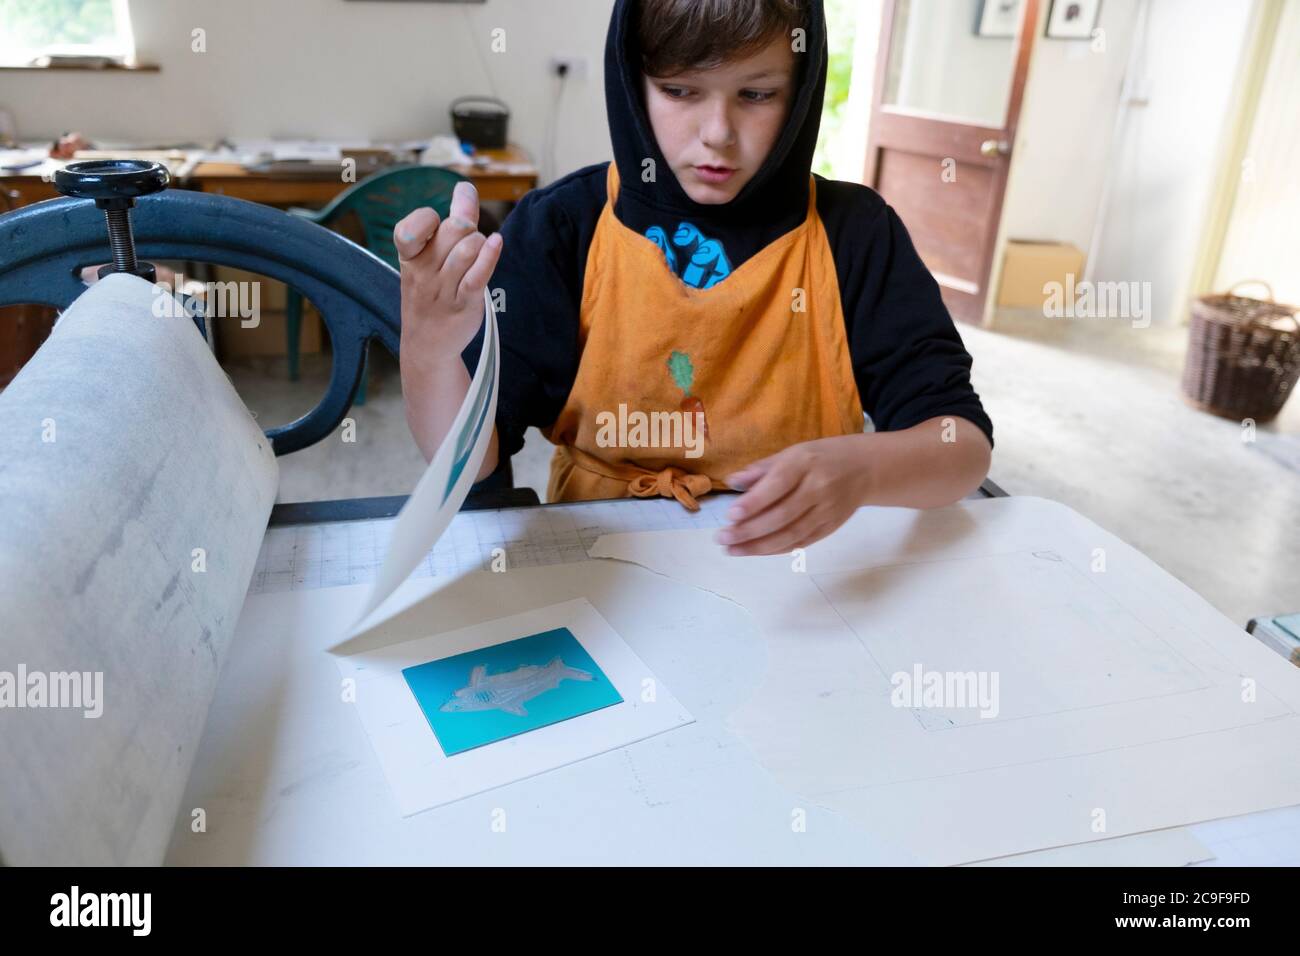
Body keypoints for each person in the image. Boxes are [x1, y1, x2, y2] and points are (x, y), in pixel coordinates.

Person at [397, 0, 993, 557]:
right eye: (679, 90)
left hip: (800, 577)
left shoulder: (856, 235)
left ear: (802, 91)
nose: (718, 133)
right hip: (601, 571)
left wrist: (864, 470)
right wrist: (429, 349)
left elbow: (961, 445)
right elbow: (469, 466)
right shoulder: (562, 227)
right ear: (633, 84)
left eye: (757, 94)